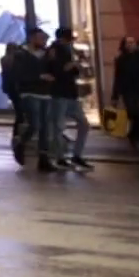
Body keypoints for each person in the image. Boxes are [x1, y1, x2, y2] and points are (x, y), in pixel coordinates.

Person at [43, 27, 92, 172]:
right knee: (59, 126)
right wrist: (73, 64)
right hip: (59, 93)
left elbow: (73, 71)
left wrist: (75, 66)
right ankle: (60, 157)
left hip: (71, 93)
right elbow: (58, 70)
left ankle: (76, 155)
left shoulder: (68, 50)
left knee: (83, 124)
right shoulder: (54, 50)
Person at [4, 28, 47, 167]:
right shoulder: (21, 55)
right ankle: (20, 142)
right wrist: (39, 77)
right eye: (40, 38)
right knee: (35, 124)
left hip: (45, 94)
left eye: (44, 38)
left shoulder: (45, 54)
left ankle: (43, 158)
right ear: (32, 38)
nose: (43, 41)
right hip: (29, 93)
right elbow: (18, 75)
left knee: (44, 127)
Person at [114, 36, 139, 152]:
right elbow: (118, 78)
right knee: (137, 114)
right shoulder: (121, 59)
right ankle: (136, 138)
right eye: (128, 43)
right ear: (124, 45)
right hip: (128, 92)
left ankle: (133, 135)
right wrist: (115, 96)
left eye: (132, 42)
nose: (131, 44)